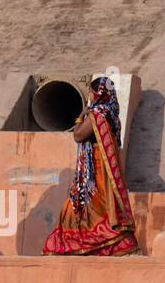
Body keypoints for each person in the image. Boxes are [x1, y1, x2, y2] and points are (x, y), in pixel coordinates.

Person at [43, 77, 139, 256]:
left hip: (93, 172)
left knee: (79, 207)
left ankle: (73, 245)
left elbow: (78, 136)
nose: (90, 96)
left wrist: (80, 116)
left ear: (97, 93)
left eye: (91, 92)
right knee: (100, 208)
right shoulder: (112, 113)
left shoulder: (98, 113)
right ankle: (112, 244)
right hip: (102, 169)